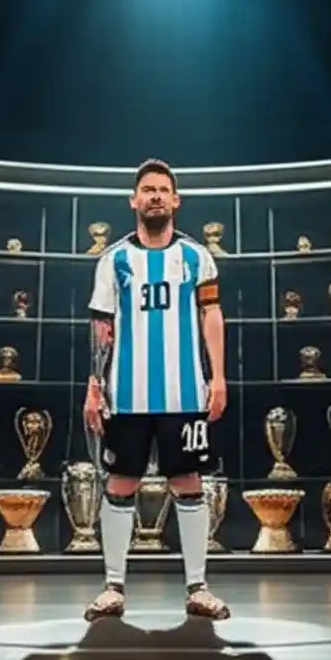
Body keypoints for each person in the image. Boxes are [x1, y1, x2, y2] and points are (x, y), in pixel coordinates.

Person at [82, 158, 229, 622]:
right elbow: (101, 326)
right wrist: (94, 384)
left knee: (188, 482)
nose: (155, 196)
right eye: (147, 189)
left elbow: (211, 316)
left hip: (184, 394)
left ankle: (198, 588)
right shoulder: (114, 260)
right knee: (120, 482)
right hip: (126, 396)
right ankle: (112, 587)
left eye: (163, 189)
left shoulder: (196, 257)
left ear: (176, 200)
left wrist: (218, 377)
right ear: (134, 200)